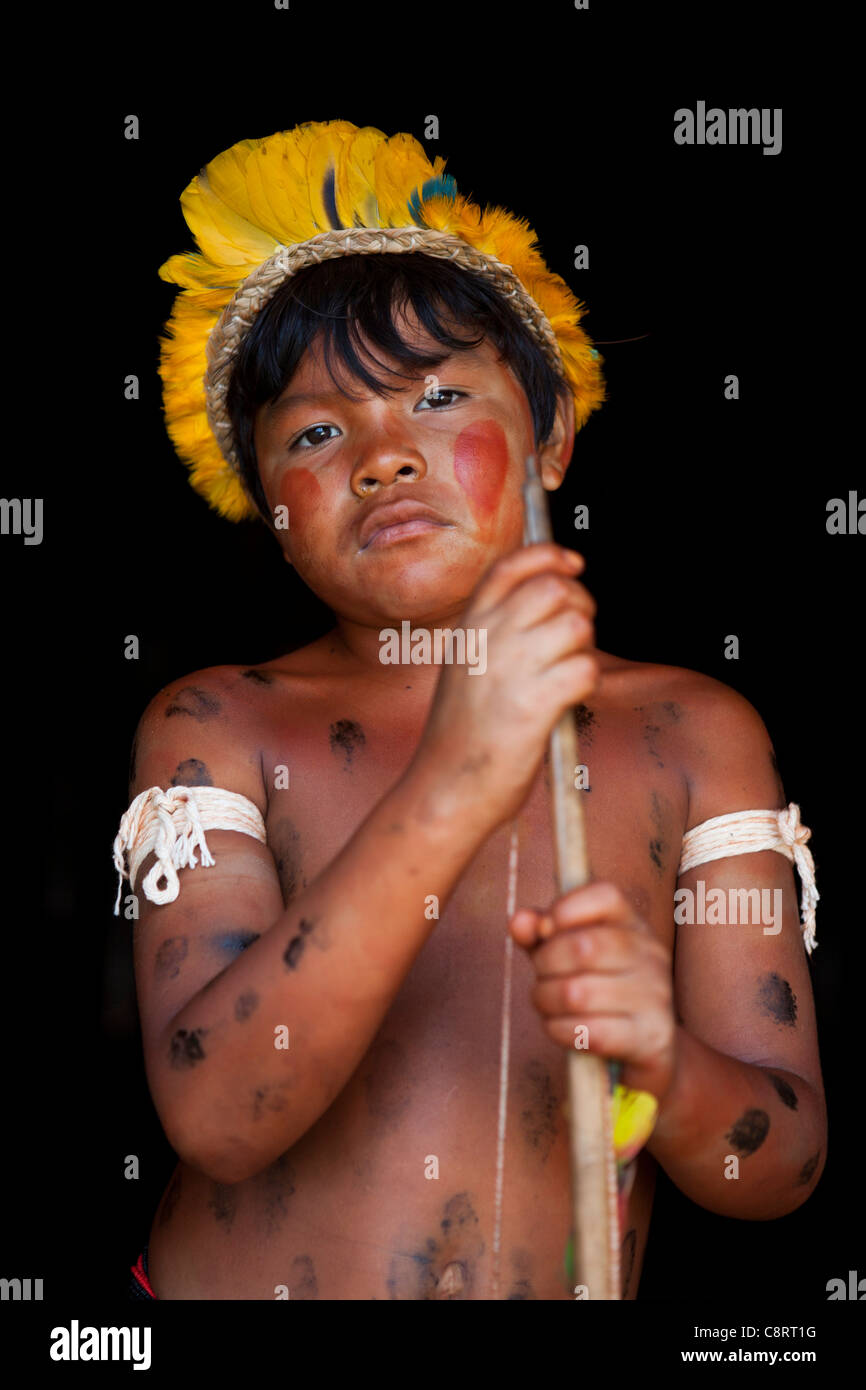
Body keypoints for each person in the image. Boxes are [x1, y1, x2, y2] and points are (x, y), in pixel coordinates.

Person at [117, 121, 825, 1301]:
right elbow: (217, 1115)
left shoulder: (692, 735)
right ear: (262, 499)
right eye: (318, 430)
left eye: (440, 396)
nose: (385, 457)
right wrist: (453, 776)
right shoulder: (217, 724)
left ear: (549, 437)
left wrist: (667, 1060)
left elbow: (784, 1162)